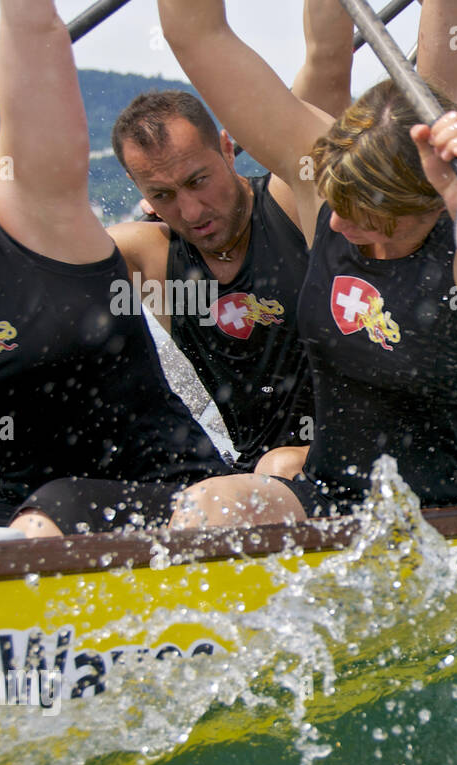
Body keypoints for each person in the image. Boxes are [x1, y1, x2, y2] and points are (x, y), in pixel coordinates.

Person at [159, 0, 457, 527]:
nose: (333, 225)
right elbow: (197, 35)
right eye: (335, 200)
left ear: (420, 204)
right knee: (209, 506)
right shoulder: (329, 198)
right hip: (336, 496)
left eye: (359, 214)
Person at [0, 0, 228, 537]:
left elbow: (32, 29)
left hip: (180, 502)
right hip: (27, 512)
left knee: (53, 506)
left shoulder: (34, 214)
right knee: (40, 509)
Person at [105, 1, 362, 477]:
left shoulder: (292, 199)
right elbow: (25, 259)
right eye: (163, 195)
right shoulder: (148, 257)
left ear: (228, 146)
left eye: (198, 180)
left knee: (280, 464)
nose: (191, 211)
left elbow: (328, 62)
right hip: (253, 477)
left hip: (361, 455)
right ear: (139, 191)